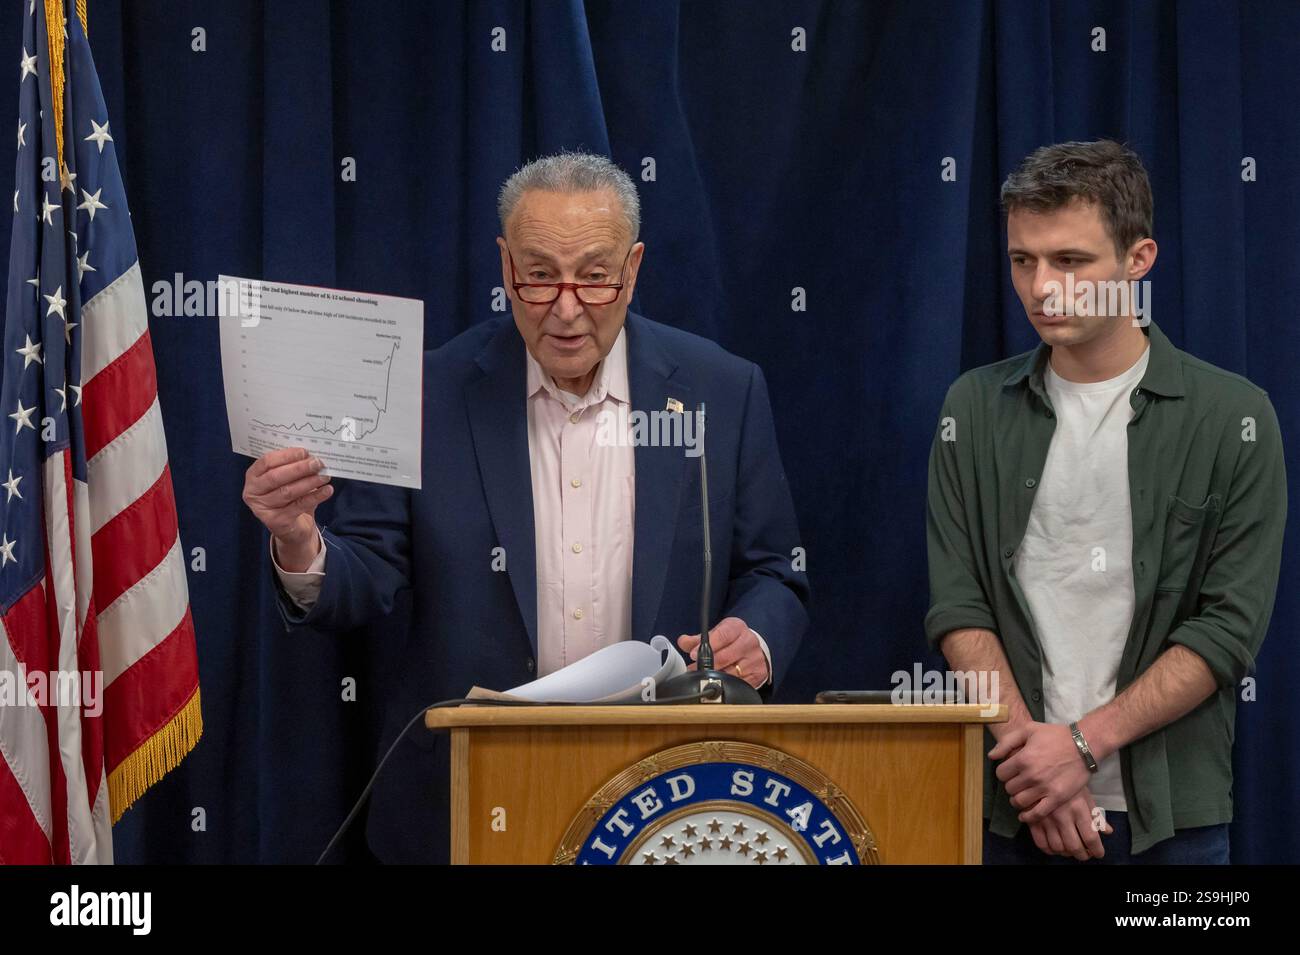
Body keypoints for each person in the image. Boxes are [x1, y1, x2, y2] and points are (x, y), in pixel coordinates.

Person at [240, 151, 810, 863]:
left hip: (664, 798)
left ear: (632, 269)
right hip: (466, 803)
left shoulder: (720, 392)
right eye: (539, 276)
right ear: (506, 265)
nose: (566, 309)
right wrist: (299, 541)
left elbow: (775, 572)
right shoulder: (427, 392)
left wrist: (751, 638)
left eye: (595, 277)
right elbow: (367, 578)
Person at [925, 140, 1286, 864]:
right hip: (1012, 805)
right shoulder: (973, 406)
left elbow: (1228, 628)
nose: (1041, 287)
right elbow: (958, 605)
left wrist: (1082, 747)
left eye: (1071, 261)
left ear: (1138, 259)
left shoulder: (1233, 417)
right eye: (1023, 260)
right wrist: (1037, 764)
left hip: (1170, 823)